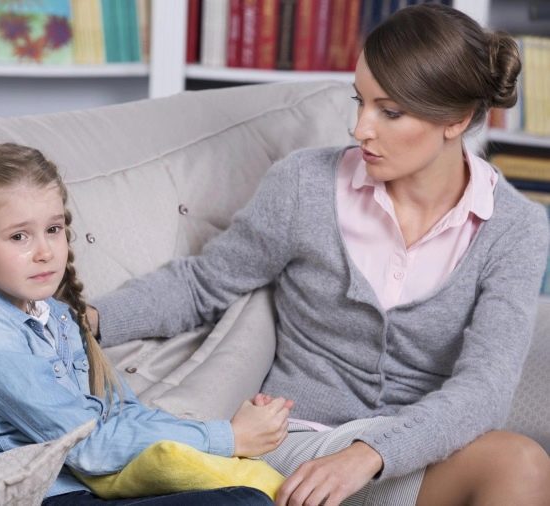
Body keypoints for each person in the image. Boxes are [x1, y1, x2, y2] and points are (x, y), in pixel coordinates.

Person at [86, 4, 550, 506]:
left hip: (410, 454)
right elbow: (204, 283)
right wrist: (90, 318)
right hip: (298, 444)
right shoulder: (305, 184)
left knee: (520, 464)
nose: (360, 129)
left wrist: (368, 453)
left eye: (388, 112)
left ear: (456, 120)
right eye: (360, 103)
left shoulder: (516, 228)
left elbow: (486, 386)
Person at [0, 142, 294, 505]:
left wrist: (223, 441)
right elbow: (89, 447)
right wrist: (228, 437)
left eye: (53, 229)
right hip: (47, 498)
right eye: (19, 236)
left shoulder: (56, 314)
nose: (46, 252)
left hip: (102, 488)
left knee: (253, 494)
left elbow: (122, 412)